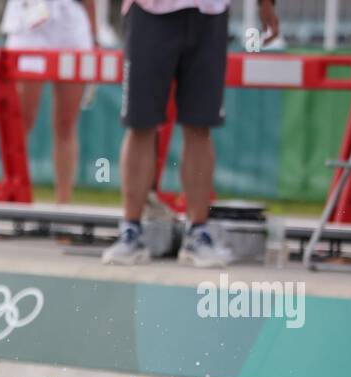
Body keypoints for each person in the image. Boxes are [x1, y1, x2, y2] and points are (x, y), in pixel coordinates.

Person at [102, 0, 279, 267]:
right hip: (150, 11)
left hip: (208, 12)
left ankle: (197, 233)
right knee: (140, 124)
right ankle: (130, 231)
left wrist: (266, 5)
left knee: (200, 125)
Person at [2, 0, 98, 205]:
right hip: (30, 18)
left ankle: (64, 206)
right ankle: (12, 197)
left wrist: (94, 35)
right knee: (21, 121)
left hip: (69, 23)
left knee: (66, 123)